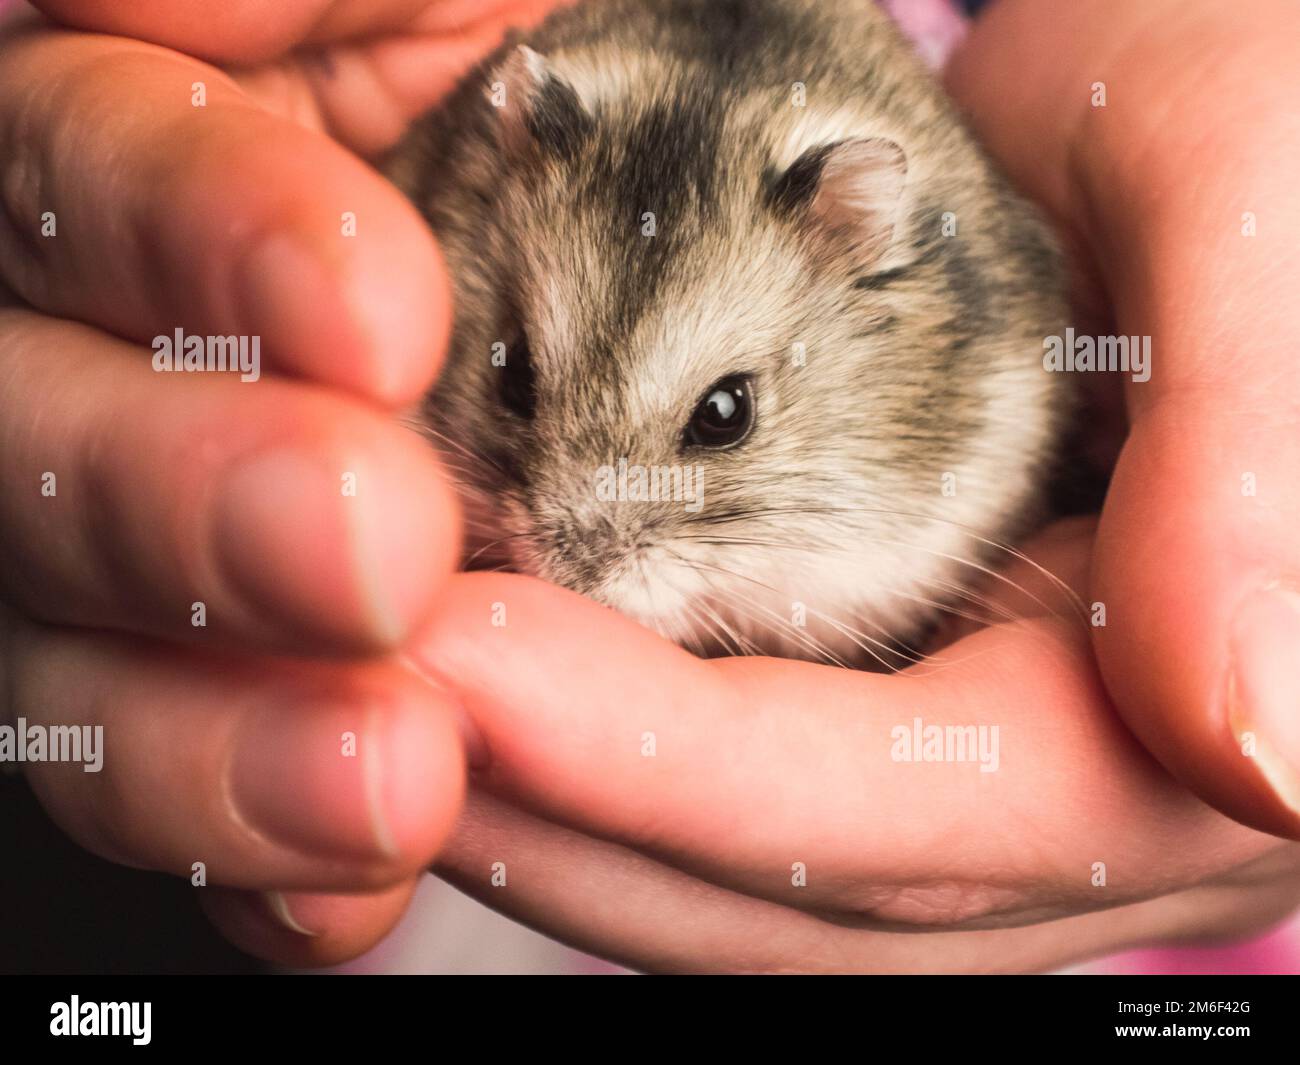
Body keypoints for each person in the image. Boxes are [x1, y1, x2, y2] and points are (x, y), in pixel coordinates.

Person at [1, 0, 1297, 972]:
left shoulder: (958, 354)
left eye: (719, 415)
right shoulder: (483, 166)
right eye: (520, 379)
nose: (571, 540)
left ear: (864, 246)